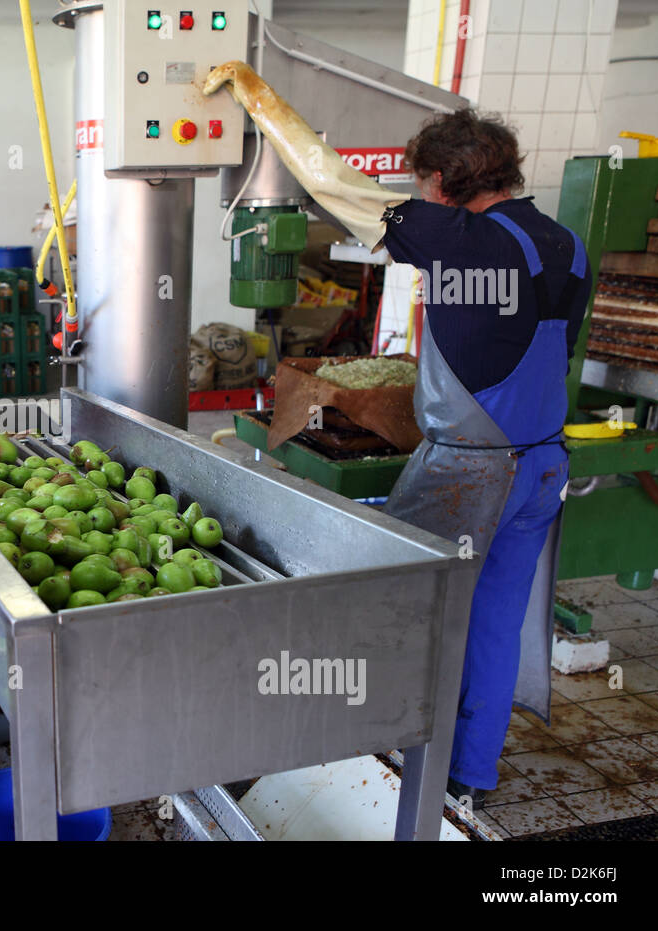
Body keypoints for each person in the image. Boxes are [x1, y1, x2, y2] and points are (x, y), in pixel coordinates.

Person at [204, 65, 592, 802]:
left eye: (421, 184)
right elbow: (546, 344)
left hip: (471, 471)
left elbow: (338, 184)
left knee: (373, 594)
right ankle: (469, 773)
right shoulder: (567, 242)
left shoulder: (462, 236)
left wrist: (261, 100)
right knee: (493, 621)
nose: (417, 196)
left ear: (446, 183)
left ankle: (345, 747)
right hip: (544, 465)